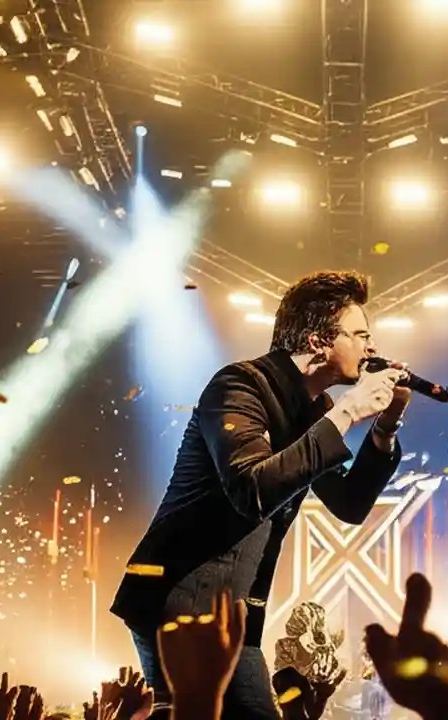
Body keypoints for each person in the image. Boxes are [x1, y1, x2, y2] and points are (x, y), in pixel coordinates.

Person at [111, 271, 411, 719]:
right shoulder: (239, 386)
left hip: (232, 612)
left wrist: (384, 428)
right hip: (181, 599)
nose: (371, 348)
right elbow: (251, 489)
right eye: (361, 335)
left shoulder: (314, 410)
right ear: (318, 342)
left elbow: (348, 503)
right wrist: (350, 411)